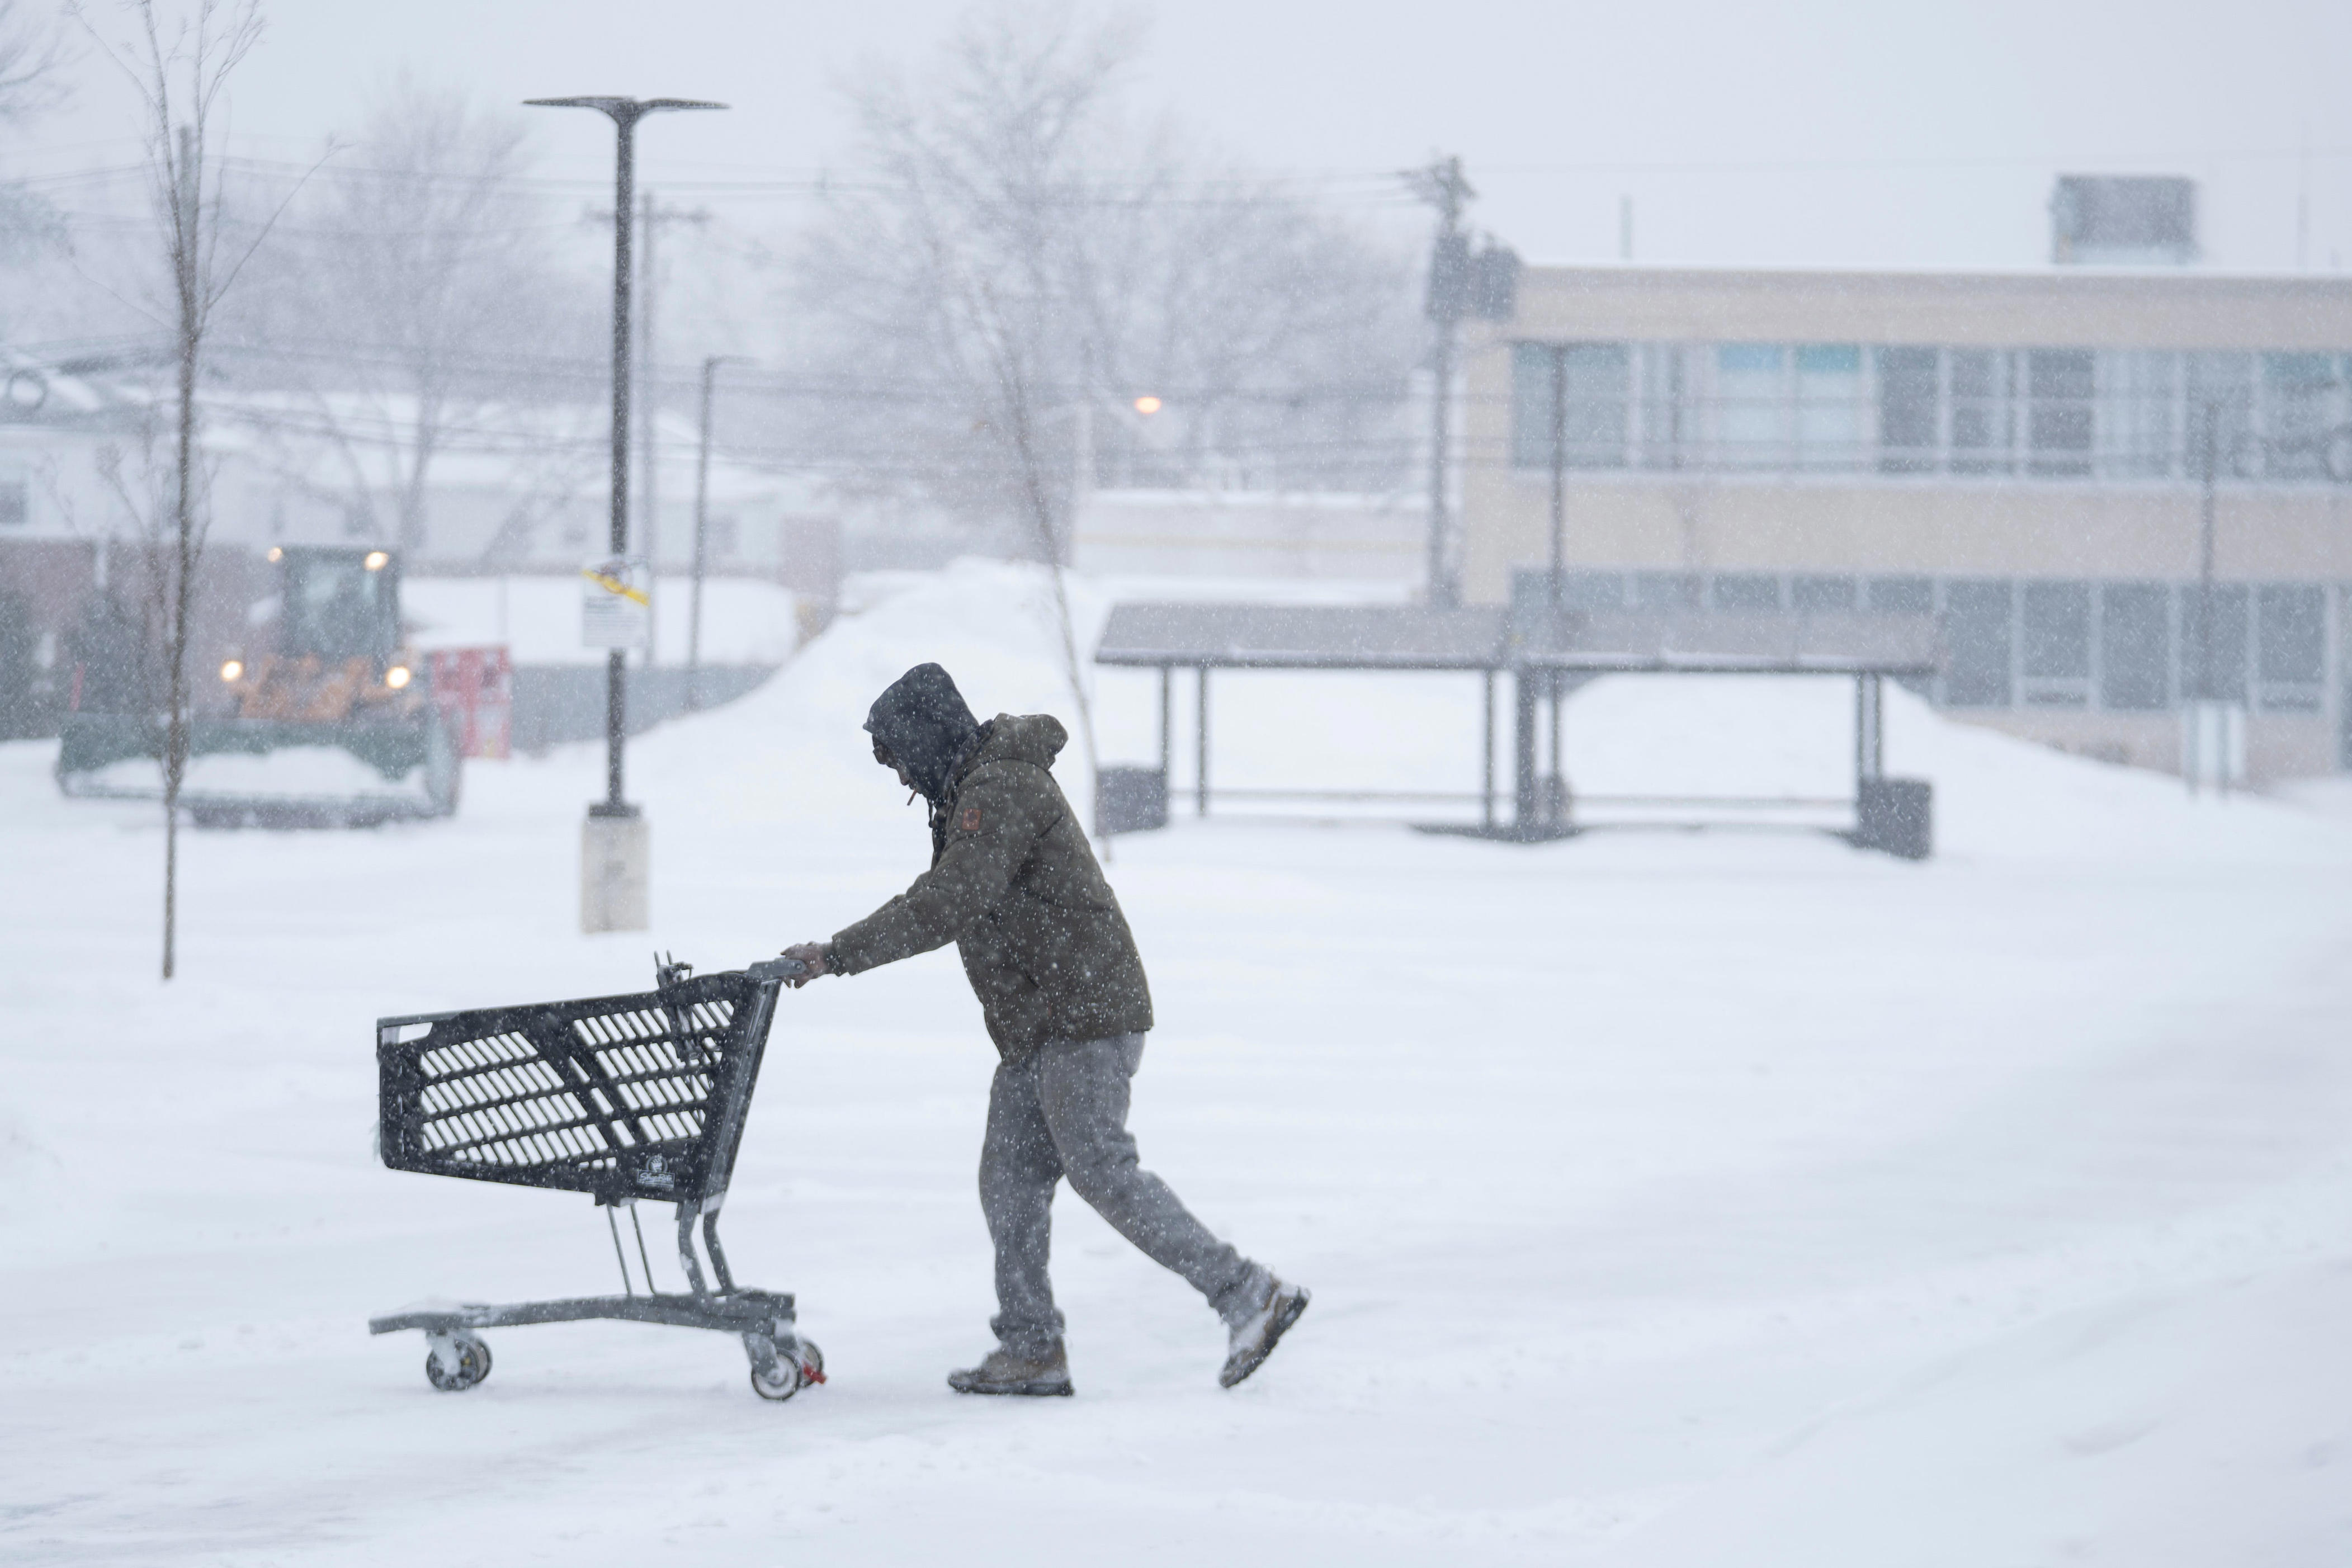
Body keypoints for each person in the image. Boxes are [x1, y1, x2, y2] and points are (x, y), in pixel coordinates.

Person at [783, 663, 1308, 1396]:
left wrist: (838, 954)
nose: (902, 778)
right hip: (1041, 1028)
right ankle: (1031, 1346)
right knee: (1009, 1183)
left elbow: (949, 902)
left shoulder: (999, 790)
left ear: (929, 741)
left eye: (901, 758)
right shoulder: (974, 790)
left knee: (1100, 1170)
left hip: (1082, 1016)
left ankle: (1248, 1292)